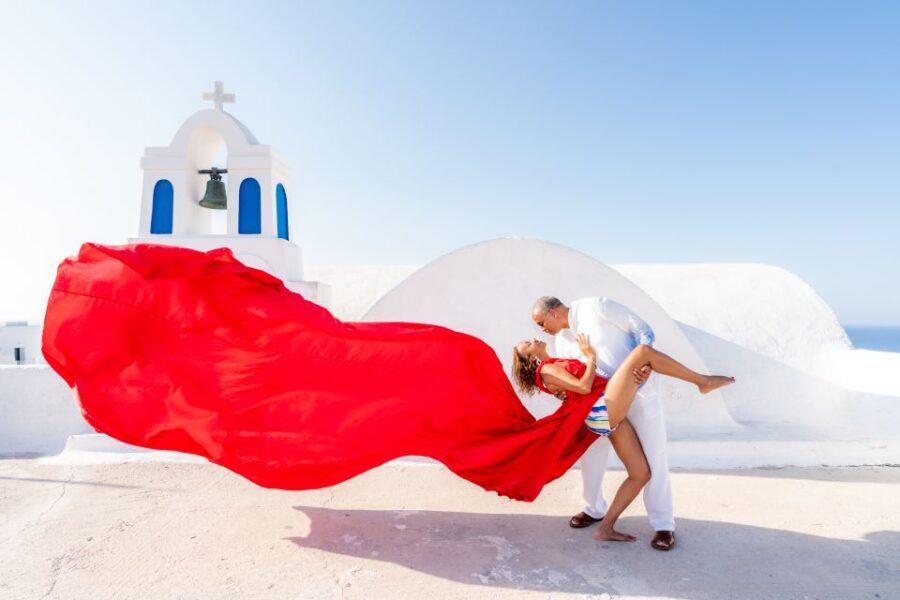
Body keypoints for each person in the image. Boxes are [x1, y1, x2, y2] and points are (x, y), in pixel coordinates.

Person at [512, 331, 734, 542]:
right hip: (600, 409)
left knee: (641, 474)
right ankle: (702, 382)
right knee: (642, 353)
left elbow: (572, 390)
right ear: (531, 359)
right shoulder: (546, 370)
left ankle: (606, 528)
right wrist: (590, 357)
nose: (533, 338)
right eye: (528, 344)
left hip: (604, 414)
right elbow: (583, 386)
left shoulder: (552, 363)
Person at [531, 296, 680, 550]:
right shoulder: (562, 340)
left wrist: (645, 365)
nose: (541, 329)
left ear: (554, 312)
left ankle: (663, 525)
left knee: (655, 457)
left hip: (638, 397)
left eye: (541, 322)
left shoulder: (597, 306)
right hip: (596, 409)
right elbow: (571, 378)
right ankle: (593, 508)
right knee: (591, 460)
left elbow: (643, 330)